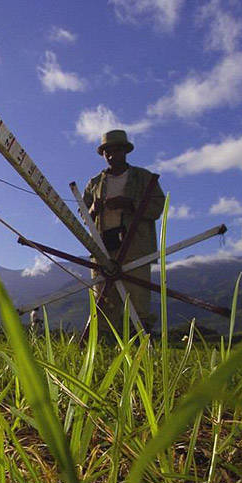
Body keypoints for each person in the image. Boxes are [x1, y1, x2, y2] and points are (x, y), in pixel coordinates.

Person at [82, 129, 165, 335]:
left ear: (125, 151)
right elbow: (84, 214)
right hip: (102, 246)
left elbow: (157, 206)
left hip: (134, 245)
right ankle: (101, 344)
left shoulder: (143, 178)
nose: (111, 156)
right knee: (102, 298)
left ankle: (142, 343)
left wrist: (130, 204)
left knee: (137, 297)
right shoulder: (94, 183)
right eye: (107, 152)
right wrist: (95, 209)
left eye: (116, 150)